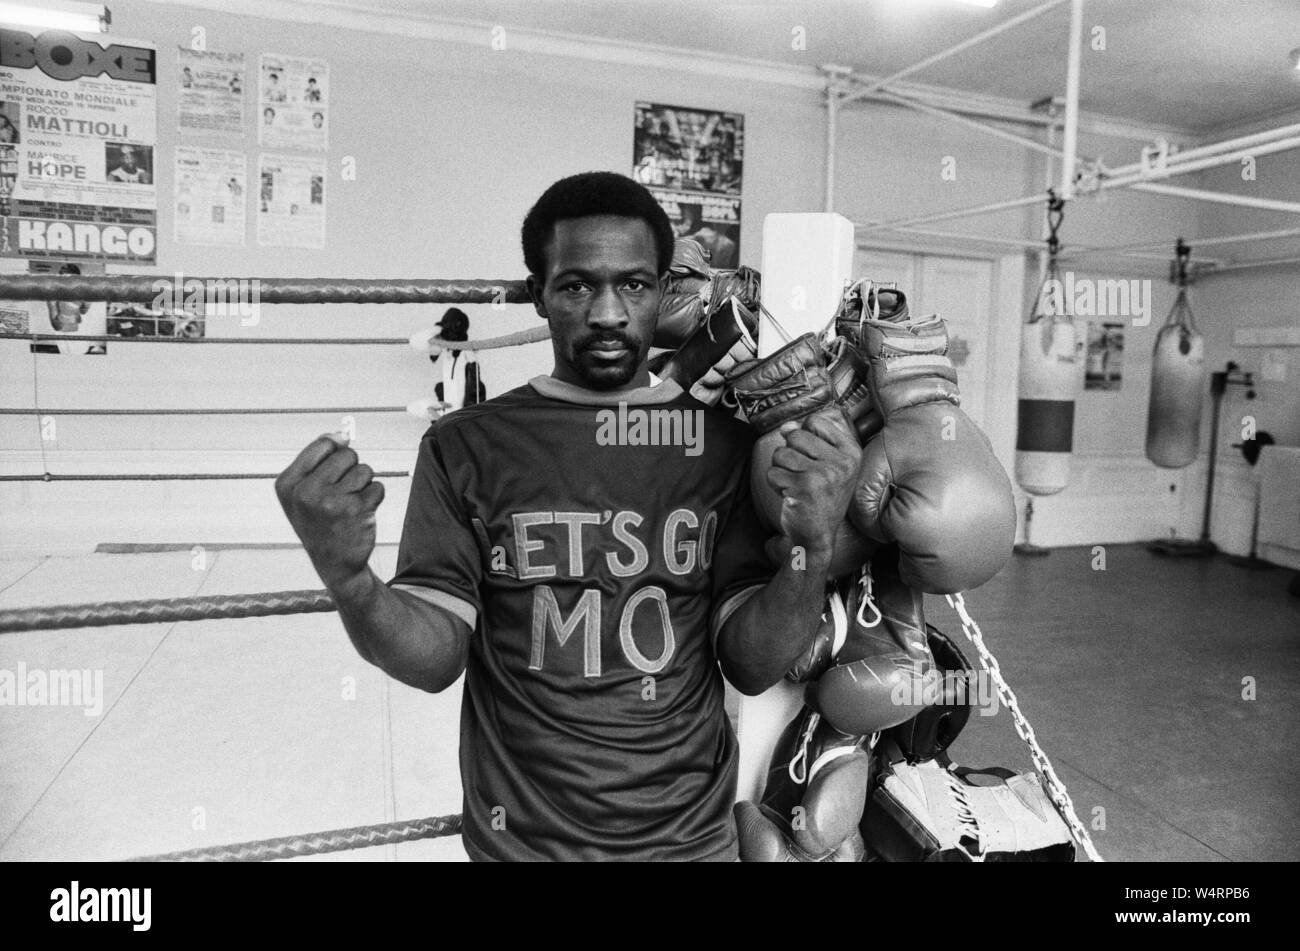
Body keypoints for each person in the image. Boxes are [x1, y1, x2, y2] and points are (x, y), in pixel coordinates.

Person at [275, 171, 861, 861]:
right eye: (578, 285)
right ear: (540, 296)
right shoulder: (468, 446)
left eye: (634, 285)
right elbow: (435, 658)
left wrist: (811, 547)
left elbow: (752, 663)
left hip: (689, 844)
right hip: (524, 846)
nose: (609, 312)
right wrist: (348, 578)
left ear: (658, 292)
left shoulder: (718, 444)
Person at [427, 308, 486, 418]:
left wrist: (471, 415)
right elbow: (433, 352)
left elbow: (475, 387)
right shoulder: (447, 352)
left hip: (462, 415)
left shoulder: (467, 352)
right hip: (451, 413)